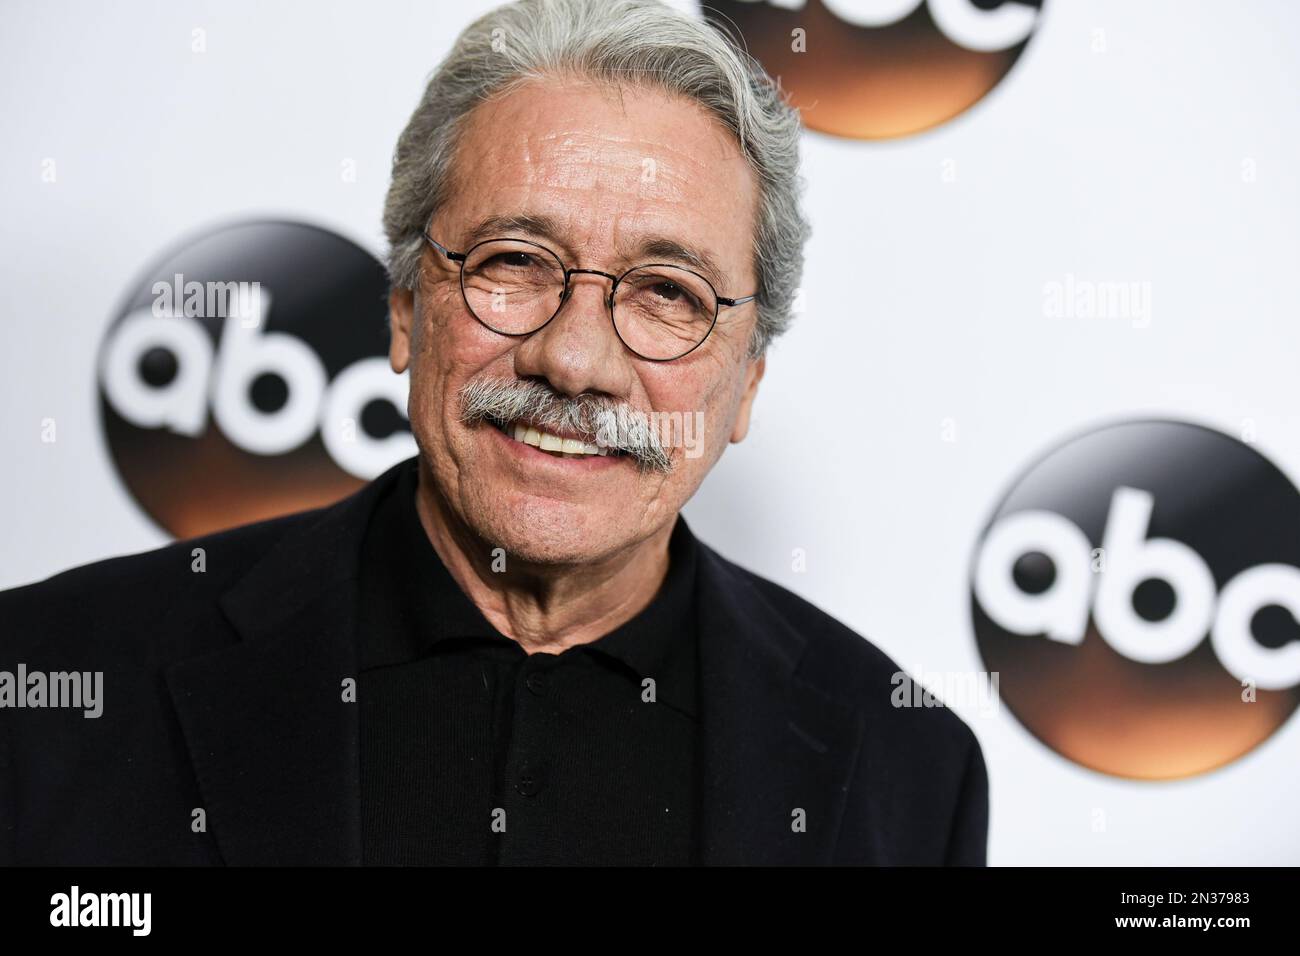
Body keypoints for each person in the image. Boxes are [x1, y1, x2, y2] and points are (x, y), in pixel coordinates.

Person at [0, 0, 988, 865]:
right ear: (404, 307)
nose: (575, 359)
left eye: (667, 292)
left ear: (746, 385)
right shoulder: (52, 682)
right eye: (514, 261)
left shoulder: (905, 770)